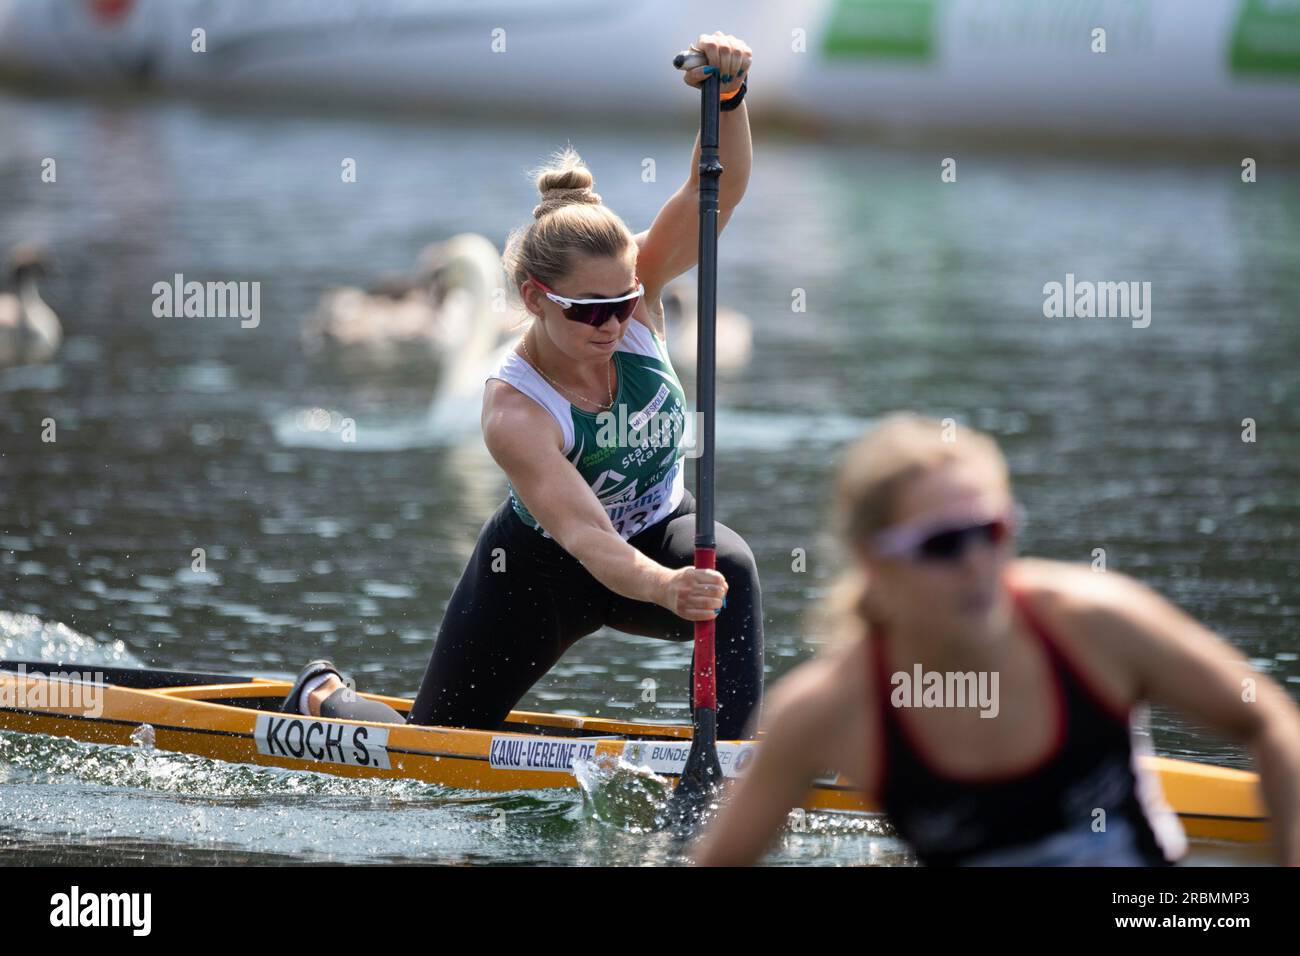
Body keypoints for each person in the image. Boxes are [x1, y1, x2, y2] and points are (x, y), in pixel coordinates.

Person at [281, 33, 764, 741]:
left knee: (732, 566)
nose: (612, 321)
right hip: (541, 570)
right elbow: (585, 537)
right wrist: (668, 590)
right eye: (588, 310)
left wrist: (730, 96)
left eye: (624, 302)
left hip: (660, 528)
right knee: (435, 747)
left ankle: (732, 760)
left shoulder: (639, 290)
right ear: (534, 298)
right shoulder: (513, 408)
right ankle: (322, 695)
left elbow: (711, 195)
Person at [691, 413, 1300, 865]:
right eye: (944, 544)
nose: (979, 562)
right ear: (874, 562)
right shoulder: (829, 710)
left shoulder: (1096, 624)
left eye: (993, 531)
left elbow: (1267, 721)